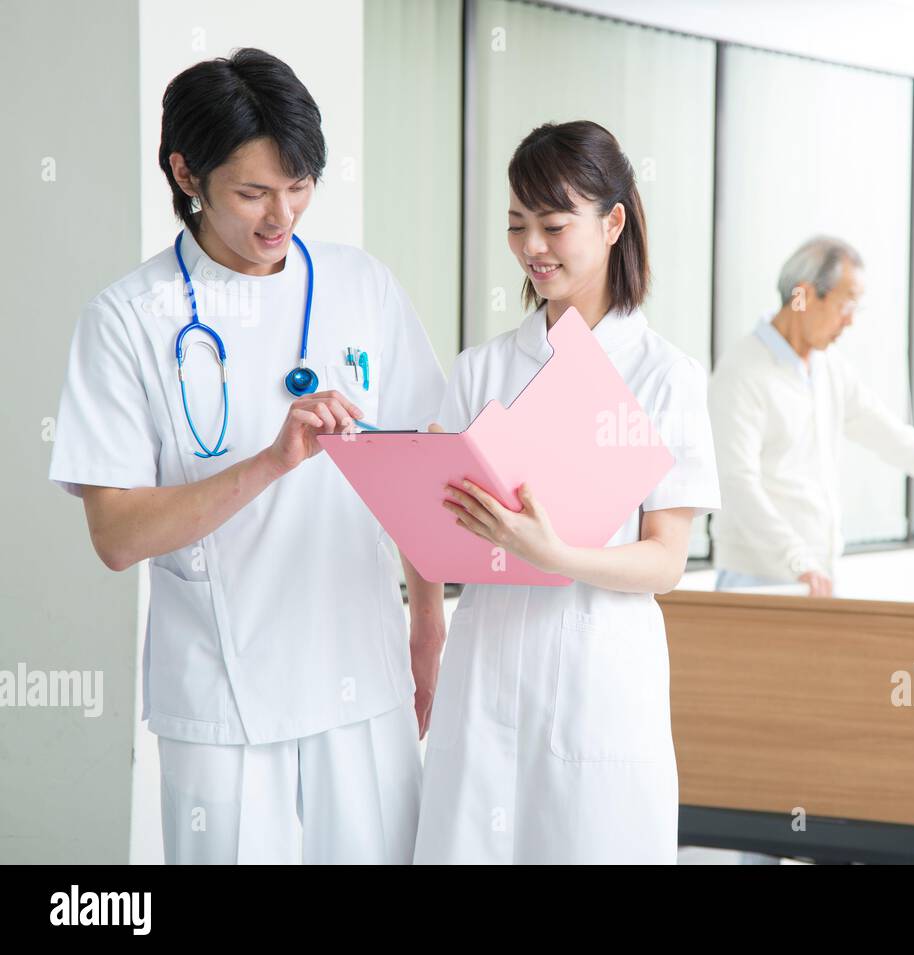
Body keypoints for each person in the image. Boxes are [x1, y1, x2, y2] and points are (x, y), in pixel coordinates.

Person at [47, 49, 446, 863]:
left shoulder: (361, 286)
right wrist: (271, 460)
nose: (281, 218)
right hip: (223, 695)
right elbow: (117, 534)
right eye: (253, 193)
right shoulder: (129, 318)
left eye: (299, 188)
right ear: (186, 172)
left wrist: (428, 629)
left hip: (362, 675)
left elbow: (421, 462)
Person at [412, 121, 720, 864]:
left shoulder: (662, 374)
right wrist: (426, 627)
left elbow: (665, 561)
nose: (531, 248)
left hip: (598, 674)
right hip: (483, 667)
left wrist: (552, 551)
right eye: (517, 225)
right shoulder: (482, 370)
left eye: (553, 225)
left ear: (612, 222)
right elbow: (426, 527)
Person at [709, 236, 914, 596]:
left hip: (815, 577)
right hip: (757, 579)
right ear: (805, 295)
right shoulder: (742, 373)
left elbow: (895, 439)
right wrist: (797, 560)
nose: (850, 321)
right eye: (846, 303)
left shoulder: (829, 369)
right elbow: (735, 485)